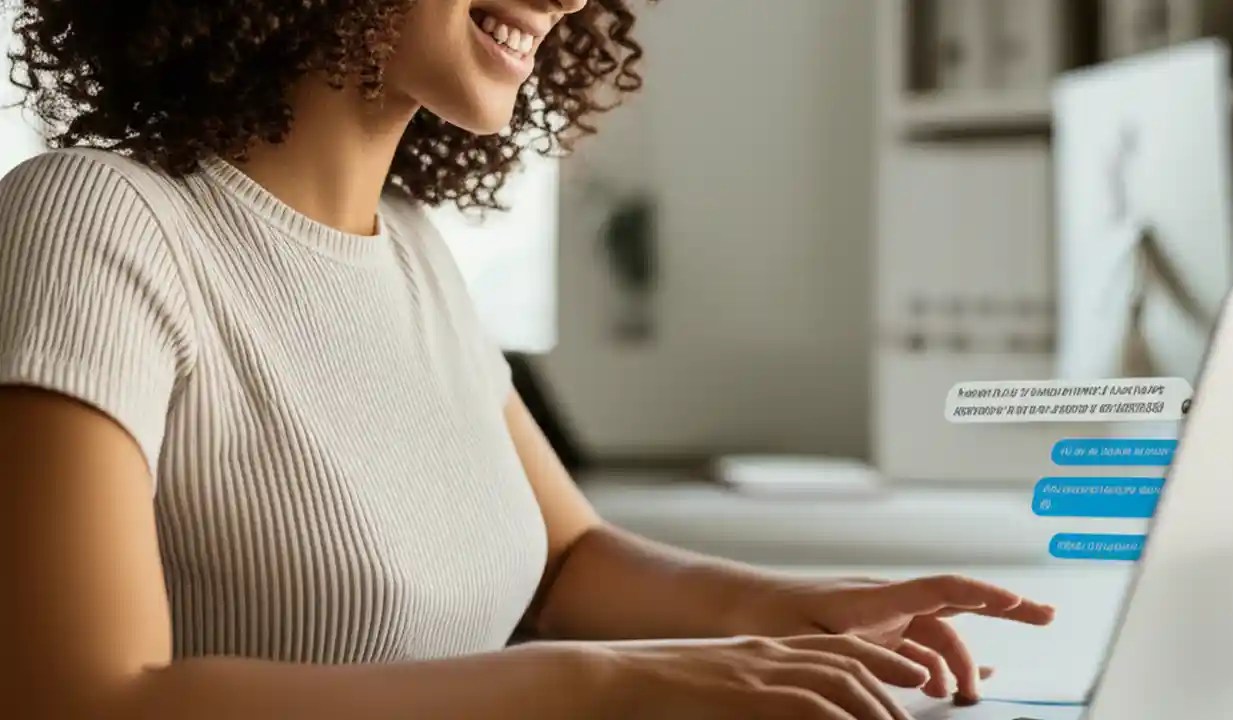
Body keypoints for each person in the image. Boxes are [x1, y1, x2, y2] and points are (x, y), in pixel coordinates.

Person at [0, 1, 1055, 718]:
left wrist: (789, 609)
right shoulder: (96, 218)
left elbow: (565, 560)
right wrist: (600, 690)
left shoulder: (408, 244)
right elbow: (81, 699)